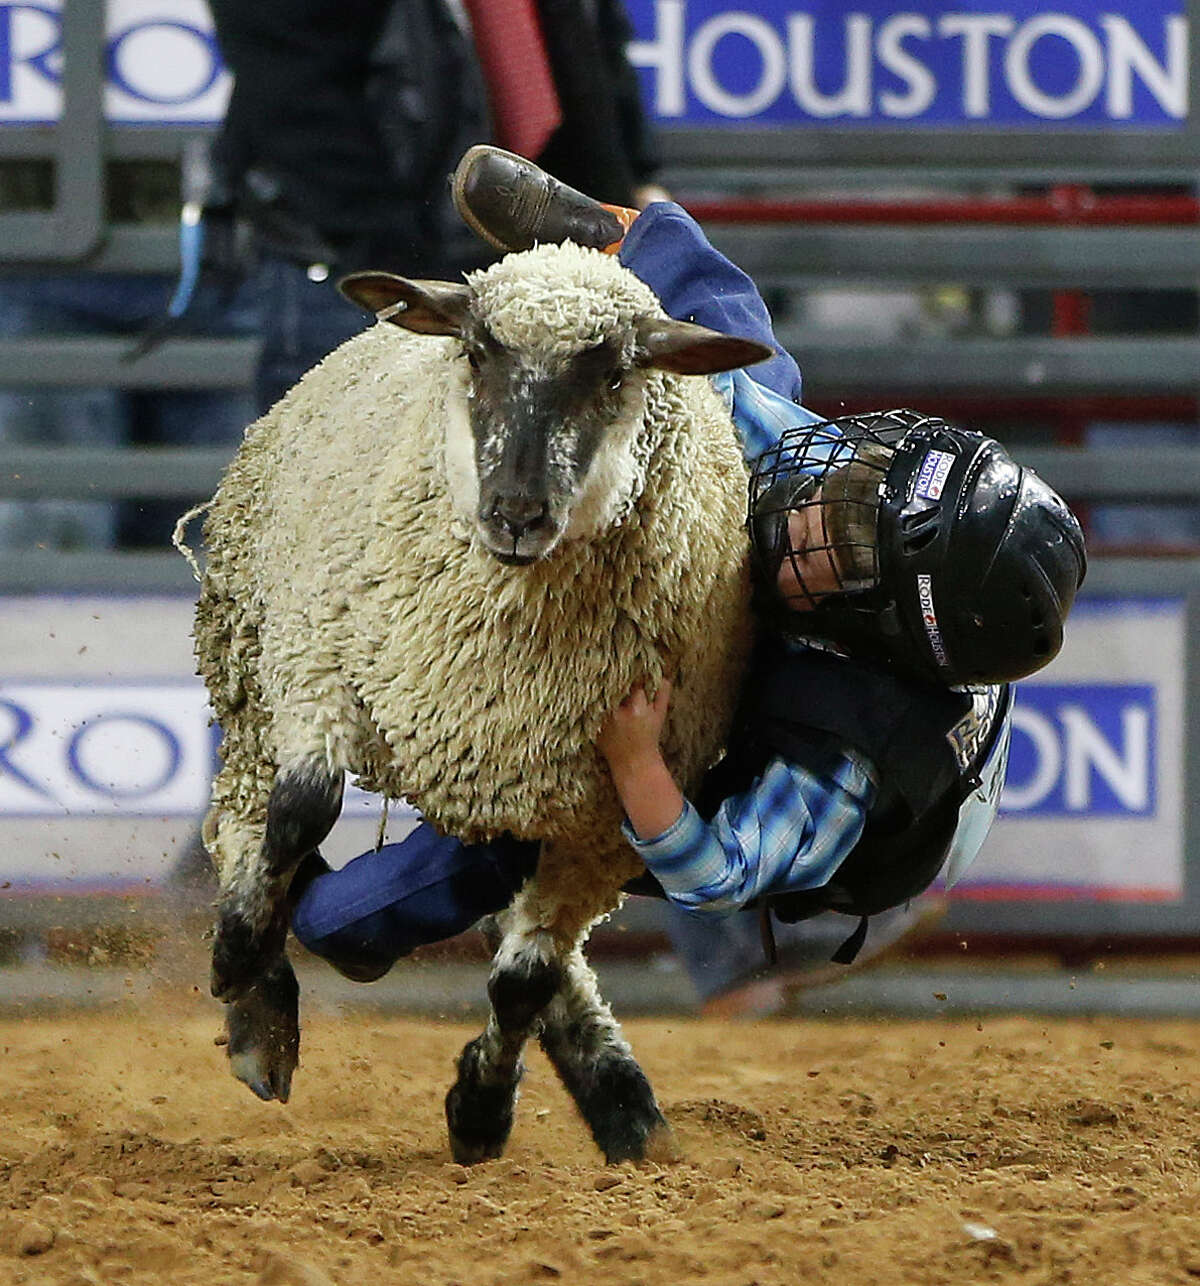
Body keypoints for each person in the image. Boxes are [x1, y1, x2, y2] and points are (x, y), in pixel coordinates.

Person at [285, 146, 1087, 1001]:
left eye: (849, 542)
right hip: (854, 632)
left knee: (537, 815)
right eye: (860, 483)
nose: (822, 506)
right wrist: (614, 328)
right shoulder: (827, 479)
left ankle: (339, 922)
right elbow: (736, 402)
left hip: (819, 799)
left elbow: (716, 872)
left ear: (872, 618)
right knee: (749, 367)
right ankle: (629, 236)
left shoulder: (842, 759)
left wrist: (637, 763)